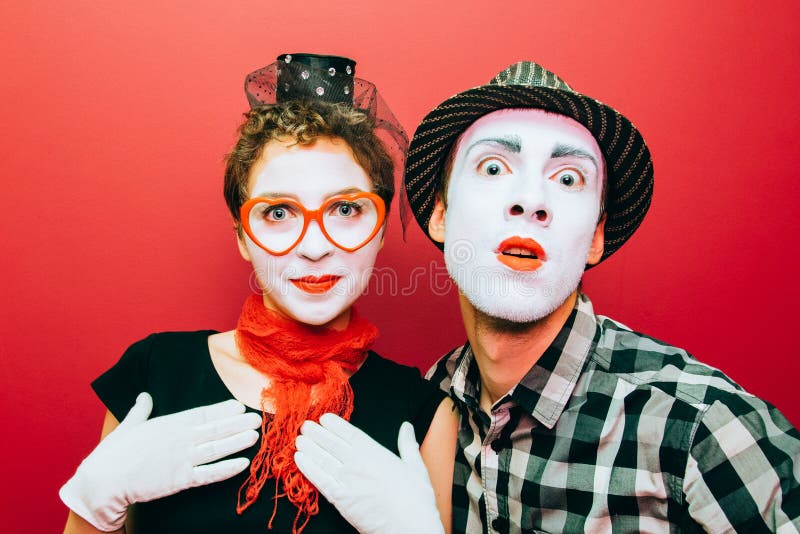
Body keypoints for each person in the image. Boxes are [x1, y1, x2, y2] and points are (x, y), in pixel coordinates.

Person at [295, 61, 800, 533]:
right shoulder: (433, 403)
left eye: (568, 178)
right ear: (440, 215)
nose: (531, 200)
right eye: (494, 168)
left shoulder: (703, 428)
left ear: (597, 237)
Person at [60, 53, 457, 534]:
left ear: (379, 230)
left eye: (346, 209)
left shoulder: (424, 413)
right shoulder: (156, 372)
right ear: (243, 238)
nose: (314, 247)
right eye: (278, 213)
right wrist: (94, 502)